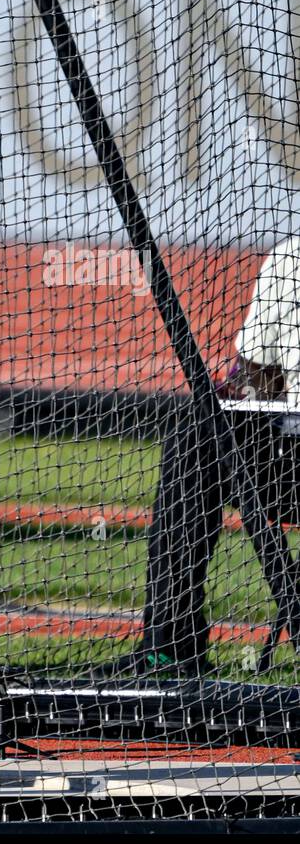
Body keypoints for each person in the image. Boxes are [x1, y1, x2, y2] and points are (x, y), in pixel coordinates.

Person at [108, 239, 300, 678]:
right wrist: (232, 398)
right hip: (291, 459)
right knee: (197, 429)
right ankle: (170, 645)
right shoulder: (293, 257)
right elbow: (256, 374)